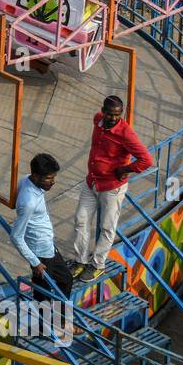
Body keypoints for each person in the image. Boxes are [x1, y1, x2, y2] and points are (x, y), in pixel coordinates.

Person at [71, 97, 153, 281]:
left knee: (107, 227)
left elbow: (146, 160)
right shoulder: (97, 120)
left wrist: (126, 169)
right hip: (91, 181)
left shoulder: (126, 134)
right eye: (109, 114)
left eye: (117, 115)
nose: (112, 118)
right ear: (103, 110)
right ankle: (81, 260)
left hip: (111, 188)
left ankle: (98, 264)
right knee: (81, 220)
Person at [11, 153, 73, 302]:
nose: (53, 182)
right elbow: (16, 236)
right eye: (48, 178)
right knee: (43, 296)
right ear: (36, 176)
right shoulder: (28, 202)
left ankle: (62, 321)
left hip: (48, 246)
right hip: (41, 255)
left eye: (53, 177)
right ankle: (45, 325)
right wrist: (35, 262)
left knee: (66, 280)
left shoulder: (26, 179)